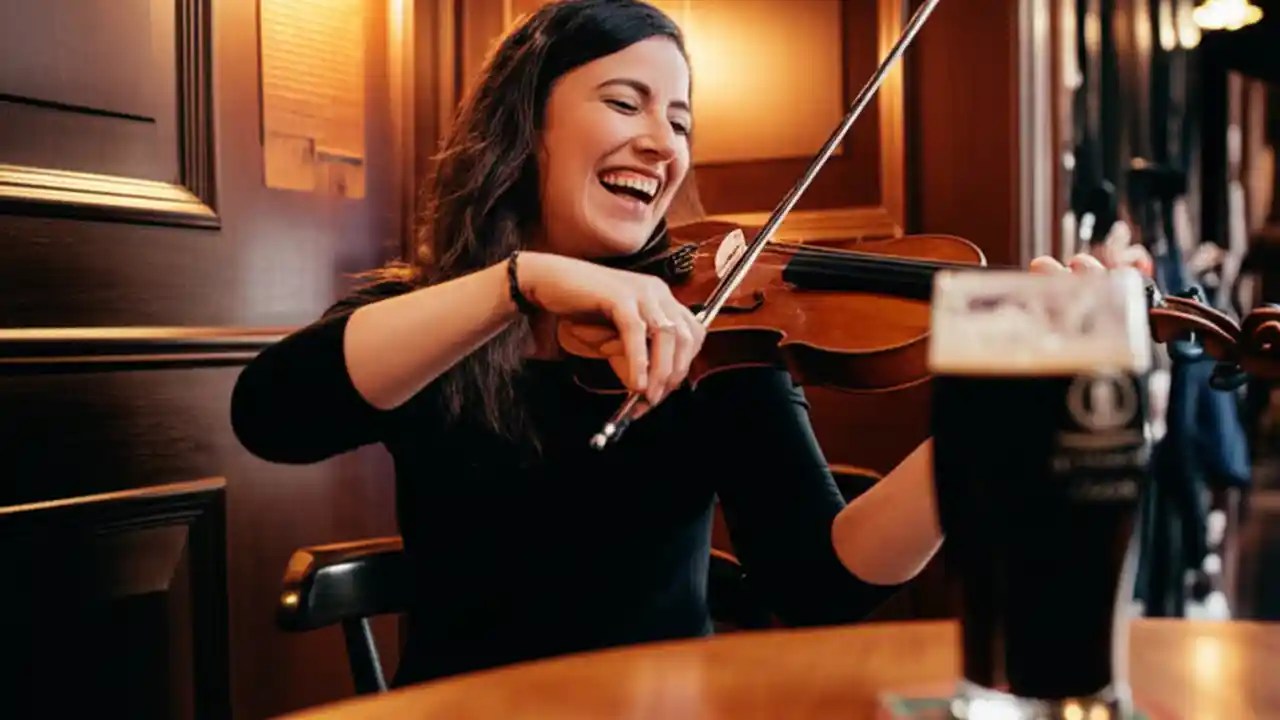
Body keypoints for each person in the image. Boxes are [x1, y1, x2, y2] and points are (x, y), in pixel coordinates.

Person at [231, 0, 1129, 687]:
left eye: (682, 121)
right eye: (626, 102)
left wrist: (991, 411)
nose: (663, 142)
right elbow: (270, 413)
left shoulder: (709, 334)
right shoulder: (436, 324)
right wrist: (522, 283)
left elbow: (824, 580)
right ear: (526, 126)